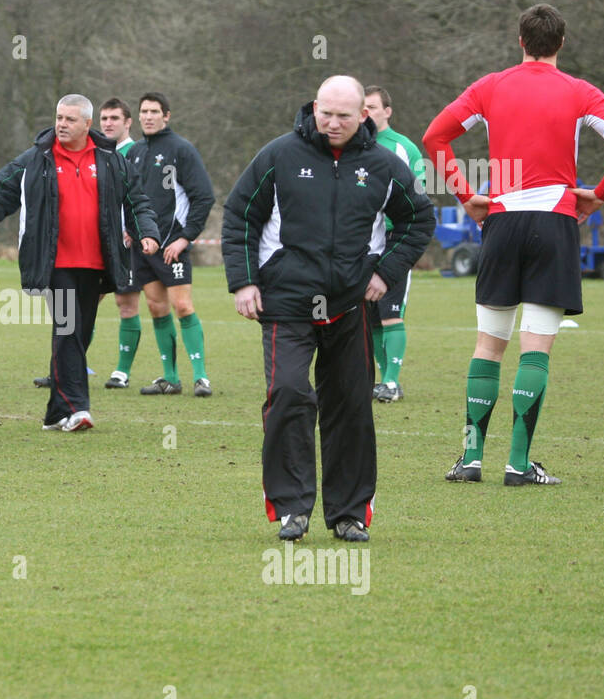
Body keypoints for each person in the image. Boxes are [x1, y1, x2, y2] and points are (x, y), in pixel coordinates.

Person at [423, 3, 604, 486]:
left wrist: (467, 195)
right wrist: (599, 196)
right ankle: (518, 465)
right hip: (554, 223)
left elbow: (435, 136)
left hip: (501, 224)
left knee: (488, 344)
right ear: (561, 44)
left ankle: (471, 459)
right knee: (535, 349)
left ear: (520, 42)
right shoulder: (580, 92)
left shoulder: (490, 86)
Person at [223, 75, 434, 542]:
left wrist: (385, 273)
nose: (333, 123)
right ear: (314, 107)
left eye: (344, 116)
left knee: (351, 406)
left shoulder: (382, 165)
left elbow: (418, 218)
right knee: (290, 395)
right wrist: (243, 281)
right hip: (286, 302)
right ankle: (291, 507)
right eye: (326, 113)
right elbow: (241, 216)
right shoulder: (278, 156)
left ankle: (349, 513)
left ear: (364, 115)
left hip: (349, 305)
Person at [0, 94, 160, 431]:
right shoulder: (36, 159)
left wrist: (148, 232)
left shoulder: (111, 161)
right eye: (59, 117)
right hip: (54, 262)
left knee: (78, 334)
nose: (62, 124)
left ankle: (56, 412)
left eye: (70, 119)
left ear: (87, 124)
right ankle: (78, 409)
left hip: (96, 264)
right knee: (68, 328)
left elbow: (137, 200)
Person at [33, 97, 138, 389]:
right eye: (105, 119)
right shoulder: (43, 156)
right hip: (65, 261)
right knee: (70, 324)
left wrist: (142, 231)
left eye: (114, 119)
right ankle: (70, 387)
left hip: (112, 253)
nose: (108, 124)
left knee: (128, 305)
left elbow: (138, 199)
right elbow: (4, 190)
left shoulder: (124, 156)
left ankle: (118, 372)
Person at [126, 92, 216, 397]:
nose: (148, 116)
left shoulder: (181, 149)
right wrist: (128, 229)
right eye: (144, 111)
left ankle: (201, 378)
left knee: (182, 306)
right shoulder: (133, 153)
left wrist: (184, 237)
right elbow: (125, 198)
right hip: (143, 248)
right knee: (155, 307)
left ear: (167, 116)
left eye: (154, 111)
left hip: (170, 246)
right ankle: (170, 378)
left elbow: (203, 196)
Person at [363, 85, 427, 404]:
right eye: (363, 108)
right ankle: (385, 379)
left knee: (391, 310)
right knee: (370, 313)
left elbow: (419, 197)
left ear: (387, 111)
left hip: (395, 238)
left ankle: (392, 380)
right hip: (364, 240)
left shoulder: (404, 148)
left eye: (373, 107)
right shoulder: (355, 146)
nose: (368, 113)